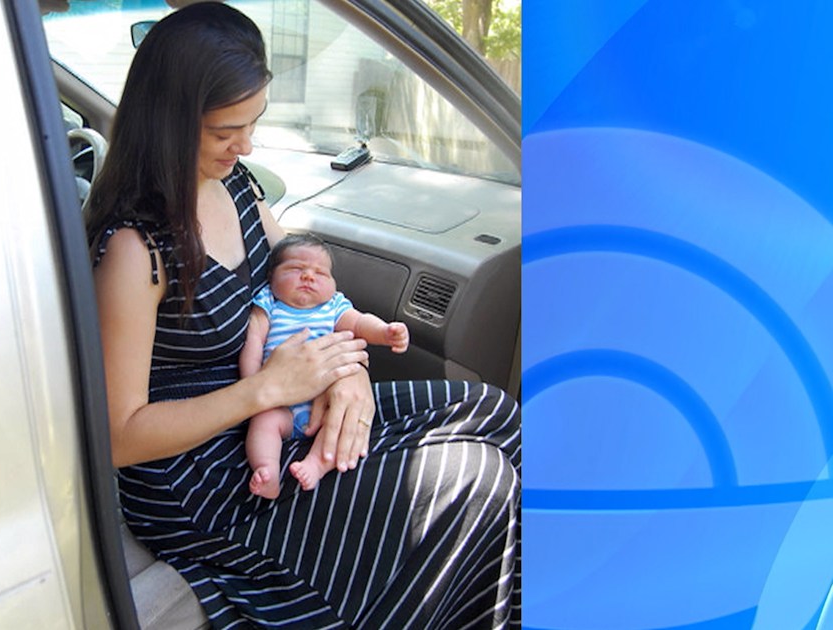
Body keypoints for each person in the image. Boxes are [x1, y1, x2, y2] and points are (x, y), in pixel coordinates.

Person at [85, 2, 520, 627]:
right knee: (474, 477)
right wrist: (265, 387)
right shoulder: (136, 248)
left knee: (496, 413)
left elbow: (304, 290)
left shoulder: (235, 186)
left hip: (275, 401)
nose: (246, 145)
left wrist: (348, 374)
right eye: (223, 131)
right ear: (170, 124)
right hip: (201, 469)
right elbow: (120, 437)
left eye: (253, 122)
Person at [242, 232, 410, 499]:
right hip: (278, 401)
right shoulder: (268, 304)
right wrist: (252, 386)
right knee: (264, 423)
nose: (309, 276)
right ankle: (267, 469)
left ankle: (317, 463)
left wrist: (385, 331)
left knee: (341, 421)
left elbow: (358, 323)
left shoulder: (332, 306)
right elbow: (252, 343)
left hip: (325, 397)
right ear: (271, 278)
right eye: (296, 269)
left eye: (321, 273)